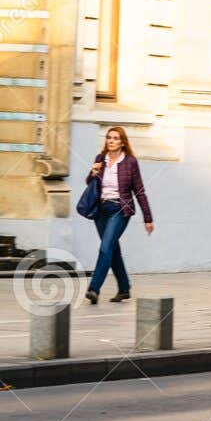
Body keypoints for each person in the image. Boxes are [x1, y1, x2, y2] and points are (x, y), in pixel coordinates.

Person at [83, 126, 154, 304]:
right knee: (112, 250)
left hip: (120, 210)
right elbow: (89, 183)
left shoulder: (130, 162)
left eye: (115, 138)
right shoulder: (100, 159)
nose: (111, 141)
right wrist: (93, 172)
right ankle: (124, 288)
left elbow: (139, 191)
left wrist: (148, 218)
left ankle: (94, 289)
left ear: (122, 142)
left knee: (105, 248)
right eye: (109, 138)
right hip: (101, 210)